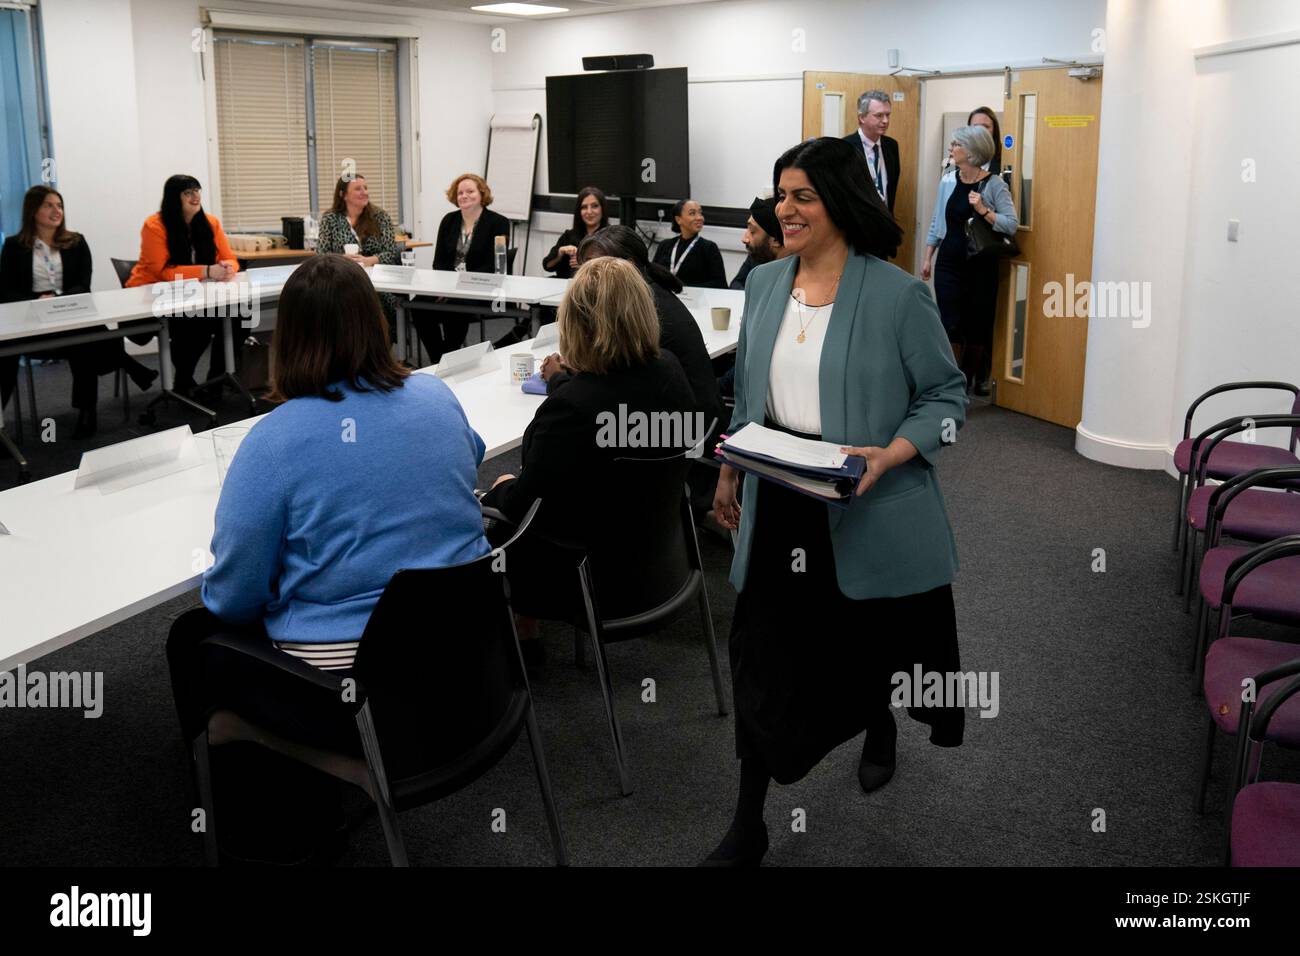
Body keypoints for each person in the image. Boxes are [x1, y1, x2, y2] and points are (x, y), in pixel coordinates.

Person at [166, 254, 491, 861]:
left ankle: (262, 800)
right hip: (466, 655)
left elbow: (234, 598)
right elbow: (465, 464)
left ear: (287, 338)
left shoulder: (274, 440)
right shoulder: (436, 395)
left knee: (194, 638)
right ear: (377, 322)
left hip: (355, 688)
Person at [705, 136, 968, 867]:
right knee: (759, 656)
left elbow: (945, 397)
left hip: (857, 500)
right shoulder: (763, 284)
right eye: (780, 195)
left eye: (801, 197)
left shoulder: (896, 294)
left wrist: (891, 452)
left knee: (861, 646)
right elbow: (748, 391)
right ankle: (748, 821)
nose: (783, 210)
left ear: (840, 204)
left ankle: (877, 723)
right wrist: (729, 465)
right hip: (777, 495)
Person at [481, 257, 698, 665]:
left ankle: (523, 639)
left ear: (576, 324)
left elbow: (526, 502)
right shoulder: (670, 372)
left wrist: (498, 489)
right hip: (664, 561)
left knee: (497, 513)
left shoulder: (573, 409)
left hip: (593, 576)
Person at [0, 187, 157, 438]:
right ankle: (130, 366)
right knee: (91, 336)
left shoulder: (76, 242)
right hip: (29, 322)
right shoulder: (14, 246)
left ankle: (87, 412)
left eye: (59, 205)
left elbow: (83, 285)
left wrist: (58, 301)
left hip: (69, 314)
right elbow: (6, 291)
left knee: (85, 341)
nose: (56, 211)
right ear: (33, 210)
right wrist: (37, 300)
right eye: (48, 205)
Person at [921, 125, 1018, 395]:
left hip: (979, 265)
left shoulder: (994, 184)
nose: (952, 148)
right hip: (949, 262)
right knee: (949, 323)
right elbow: (937, 221)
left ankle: (964, 382)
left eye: (956, 144)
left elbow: (1011, 224)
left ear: (973, 152)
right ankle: (952, 383)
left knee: (975, 327)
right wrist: (928, 256)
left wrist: (983, 210)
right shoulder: (948, 180)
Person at [126, 175, 240, 397]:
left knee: (239, 318)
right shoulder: (155, 226)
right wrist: (206, 271)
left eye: (197, 191)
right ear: (173, 198)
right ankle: (183, 379)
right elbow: (164, 272)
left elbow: (230, 258)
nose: (195, 196)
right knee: (196, 324)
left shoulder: (211, 223)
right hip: (154, 296)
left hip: (195, 295)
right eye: (188, 192)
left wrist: (227, 268)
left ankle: (215, 380)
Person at [416, 173, 512, 362]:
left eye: (470, 191)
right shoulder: (448, 220)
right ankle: (439, 359)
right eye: (460, 193)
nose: (464, 196)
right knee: (418, 305)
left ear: (481, 194)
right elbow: (439, 262)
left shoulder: (498, 222)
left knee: (455, 308)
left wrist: (462, 284)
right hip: (449, 285)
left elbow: (494, 265)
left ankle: (447, 358)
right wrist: (448, 286)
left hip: (482, 287)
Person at [315, 173, 401, 325]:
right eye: (358, 189)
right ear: (343, 195)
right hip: (342, 277)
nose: (364, 192)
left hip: (377, 279)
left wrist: (369, 260)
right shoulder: (330, 218)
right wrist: (341, 260)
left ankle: (379, 342)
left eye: (366, 188)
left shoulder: (380, 217)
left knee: (378, 301)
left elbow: (391, 252)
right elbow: (321, 254)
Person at [842, 90, 900, 213]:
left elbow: (891, 189)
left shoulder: (891, 146)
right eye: (879, 115)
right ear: (862, 117)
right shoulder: (845, 148)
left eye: (887, 115)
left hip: (886, 222)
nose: (885, 121)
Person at [652, 199, 727, 289]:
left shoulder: (709, 248)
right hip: (665, 298)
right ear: (678, 219)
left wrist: (686, 288)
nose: (699, 218)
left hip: (695, 299)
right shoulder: (664, 245)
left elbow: (720, 283)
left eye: (700, 213)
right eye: (692, 213)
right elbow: (652, 276)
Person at [542, 186, 608, 280]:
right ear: (579, 211)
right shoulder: (569, 236)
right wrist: (560, 252)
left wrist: (585, 264)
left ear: (603, 209)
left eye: (594, 206)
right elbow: (547, 265)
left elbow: (615, 272)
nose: (589, 212)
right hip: (567, 288)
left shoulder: (611, 237)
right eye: (584, 207)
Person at [729, 196, 786, 290]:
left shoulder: (800, 272)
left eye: (752, 231)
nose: (744, 239)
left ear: (776, 240)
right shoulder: (758, 255)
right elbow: (736, 283)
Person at [968, 106, 1003, 173]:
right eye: (976, 126)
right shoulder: (960, 159)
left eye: (985, 126)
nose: (980, 131)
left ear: (994, 130)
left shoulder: (1007, 160)